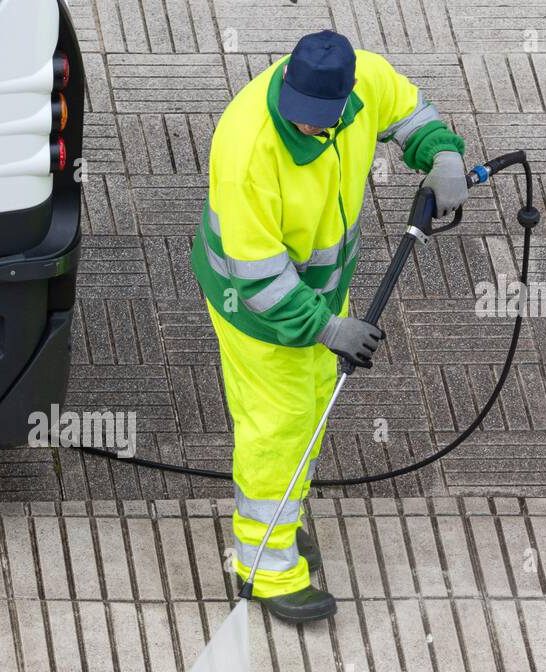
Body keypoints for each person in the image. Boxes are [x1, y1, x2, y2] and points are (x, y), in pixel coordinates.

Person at [191, 30, 468, 623]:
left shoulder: (364, 78)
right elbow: (259, 279)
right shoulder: (248, 150)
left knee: (313, 407)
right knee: (279, 428)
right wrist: (327, 328)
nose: (310, 130)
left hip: (320, 297)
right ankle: (264, 568)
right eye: (301, 119)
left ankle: (281, 523)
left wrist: (441, 152)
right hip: (258, 310)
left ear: (346, 99)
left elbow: (410, 112)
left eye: (323, 120)